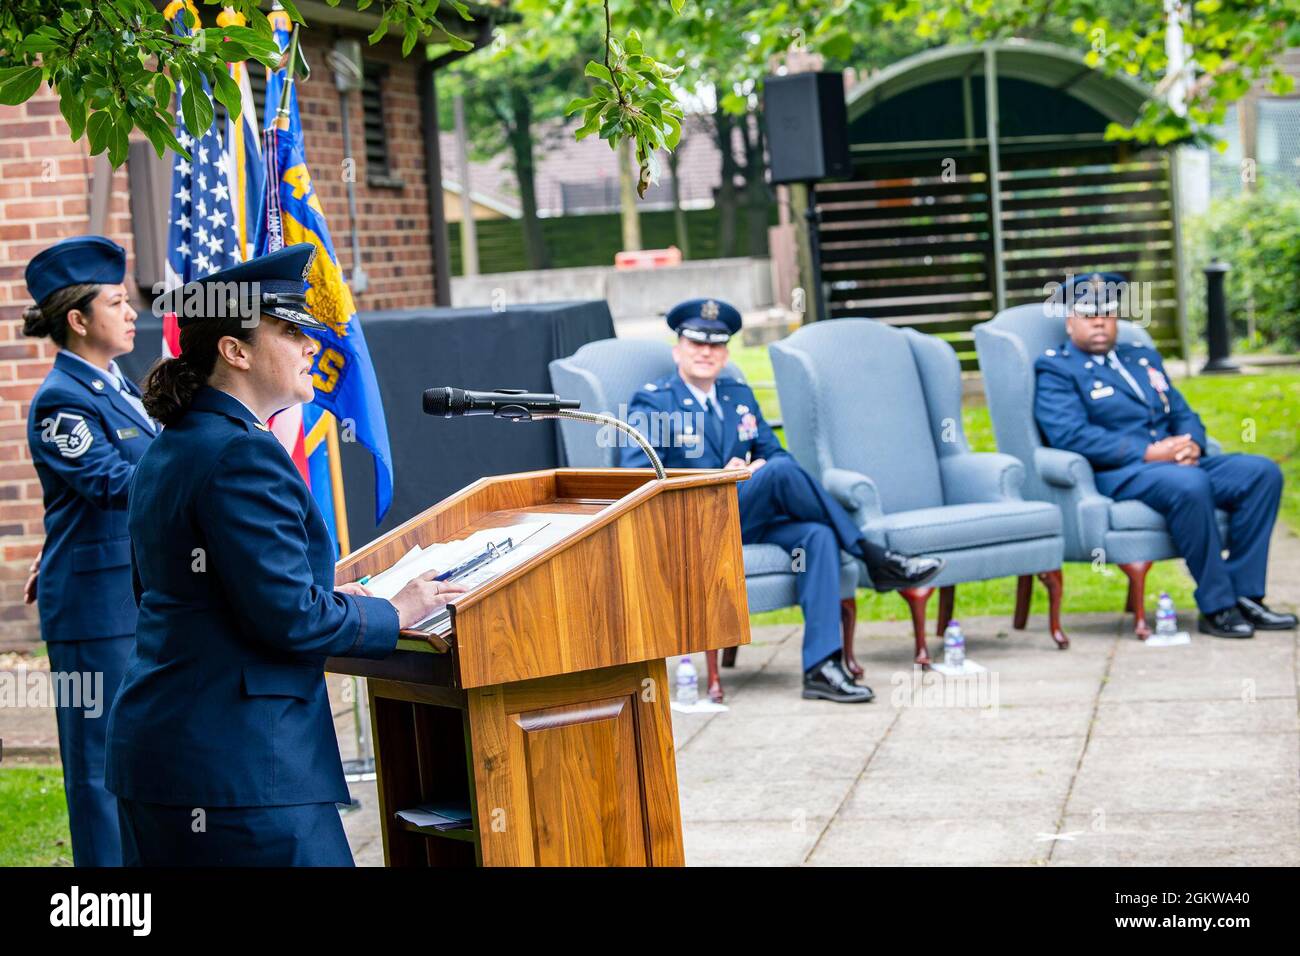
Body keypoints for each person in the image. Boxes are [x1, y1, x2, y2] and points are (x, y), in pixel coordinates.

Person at [105, 243, 462, 866]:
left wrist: (324, 599)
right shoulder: (241, 452)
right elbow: (287, 620)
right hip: (239, 770)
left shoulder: (177, 444)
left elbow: (195, 594)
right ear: (235, 350)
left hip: (175, 755)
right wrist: (394, 611)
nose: (311, 346)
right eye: (292, 330)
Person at [619, 298, 944, 703]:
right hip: (694, 524)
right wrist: (721, 478)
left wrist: (754, 472)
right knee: (776, 473)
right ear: (677, 349)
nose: (706, 353)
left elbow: (777, 454)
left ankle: (822, 668)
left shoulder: (737, 395)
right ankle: (873, 556)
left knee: (816, 535)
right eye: (696, 344)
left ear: (726, 352)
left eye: (716, 345)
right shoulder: (654, 402)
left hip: (748, 517)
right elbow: (634, 479)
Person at [1034, 272, 1297, 639]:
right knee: (1190, 483)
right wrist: (1149, 451)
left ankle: (1246, 596)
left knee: (1261, 472)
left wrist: (1191, 443)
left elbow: (1181, 411)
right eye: (1087, 314)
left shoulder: (1141, 357)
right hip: (1120, 472)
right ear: (1070, 321)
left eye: (1106, 313)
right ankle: (1217, 606)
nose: (1098, 321)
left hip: (1177, 463)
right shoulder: (1057, 368)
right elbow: (1070, 434)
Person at [22, 235, 156, 866]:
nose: (131, 311)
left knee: (137, 758)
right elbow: (113, 484)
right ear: (78, 320)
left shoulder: (114, 384)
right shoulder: (61, 399)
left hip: (130, 601)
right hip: (92, 611)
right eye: (115, 302)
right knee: (98, 766)